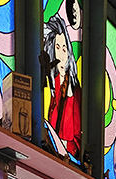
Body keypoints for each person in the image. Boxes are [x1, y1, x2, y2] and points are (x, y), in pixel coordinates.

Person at [43, 14, 81, 160]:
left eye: (64, 49)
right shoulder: (49, 83)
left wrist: (70, 96)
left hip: (67, 154)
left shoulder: (75, 90)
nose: (61, 55)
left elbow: (75, 138)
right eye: (57, 48)